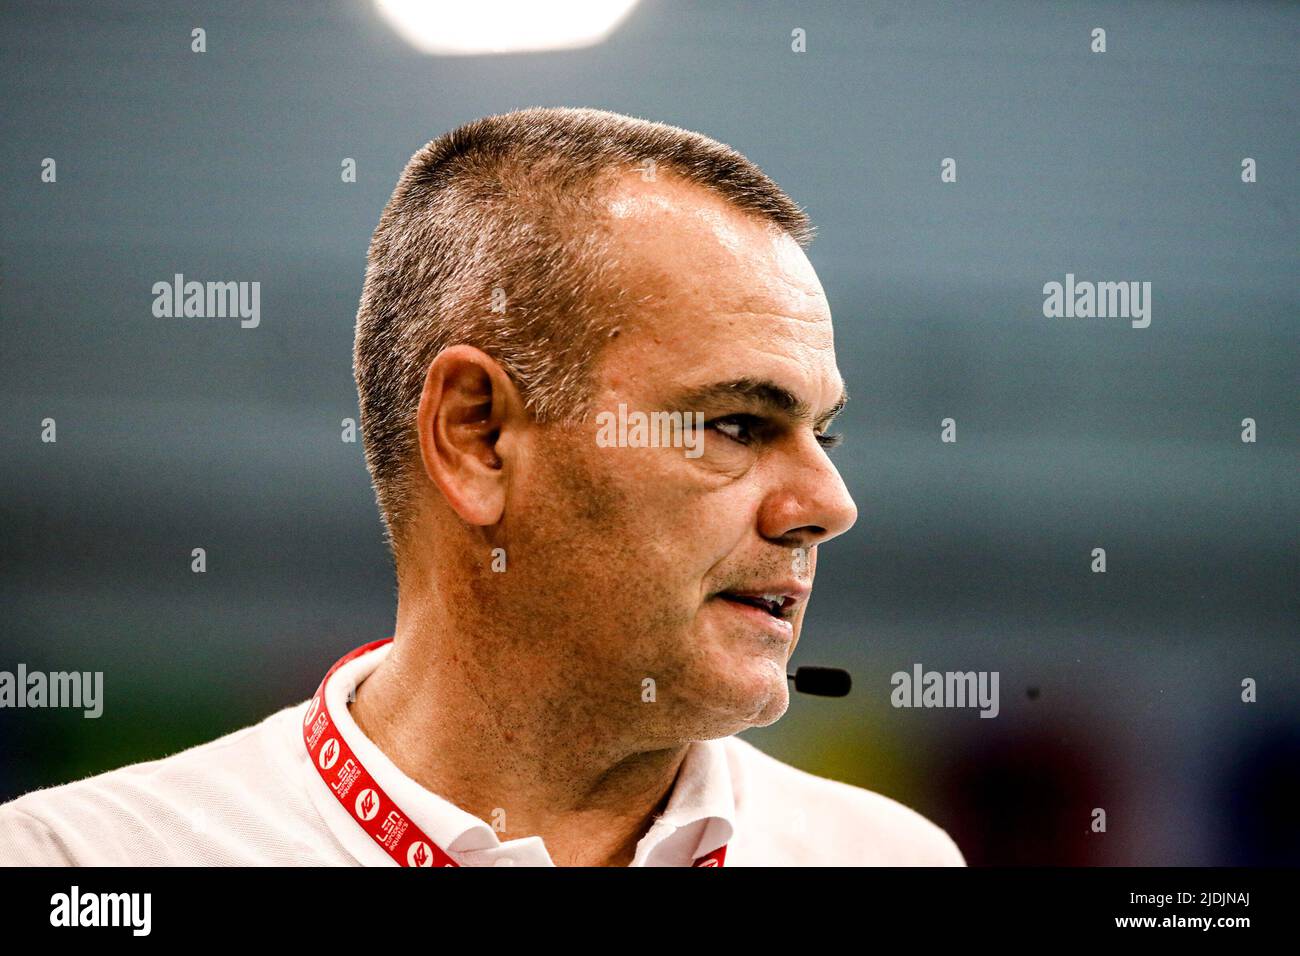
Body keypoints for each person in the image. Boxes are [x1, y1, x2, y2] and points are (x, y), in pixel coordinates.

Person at [0, 107, 964, 867]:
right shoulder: (83, 867)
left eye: (822, 430)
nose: (830, 505)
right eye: (736, 425)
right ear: (478, 436)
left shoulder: (890, 859)